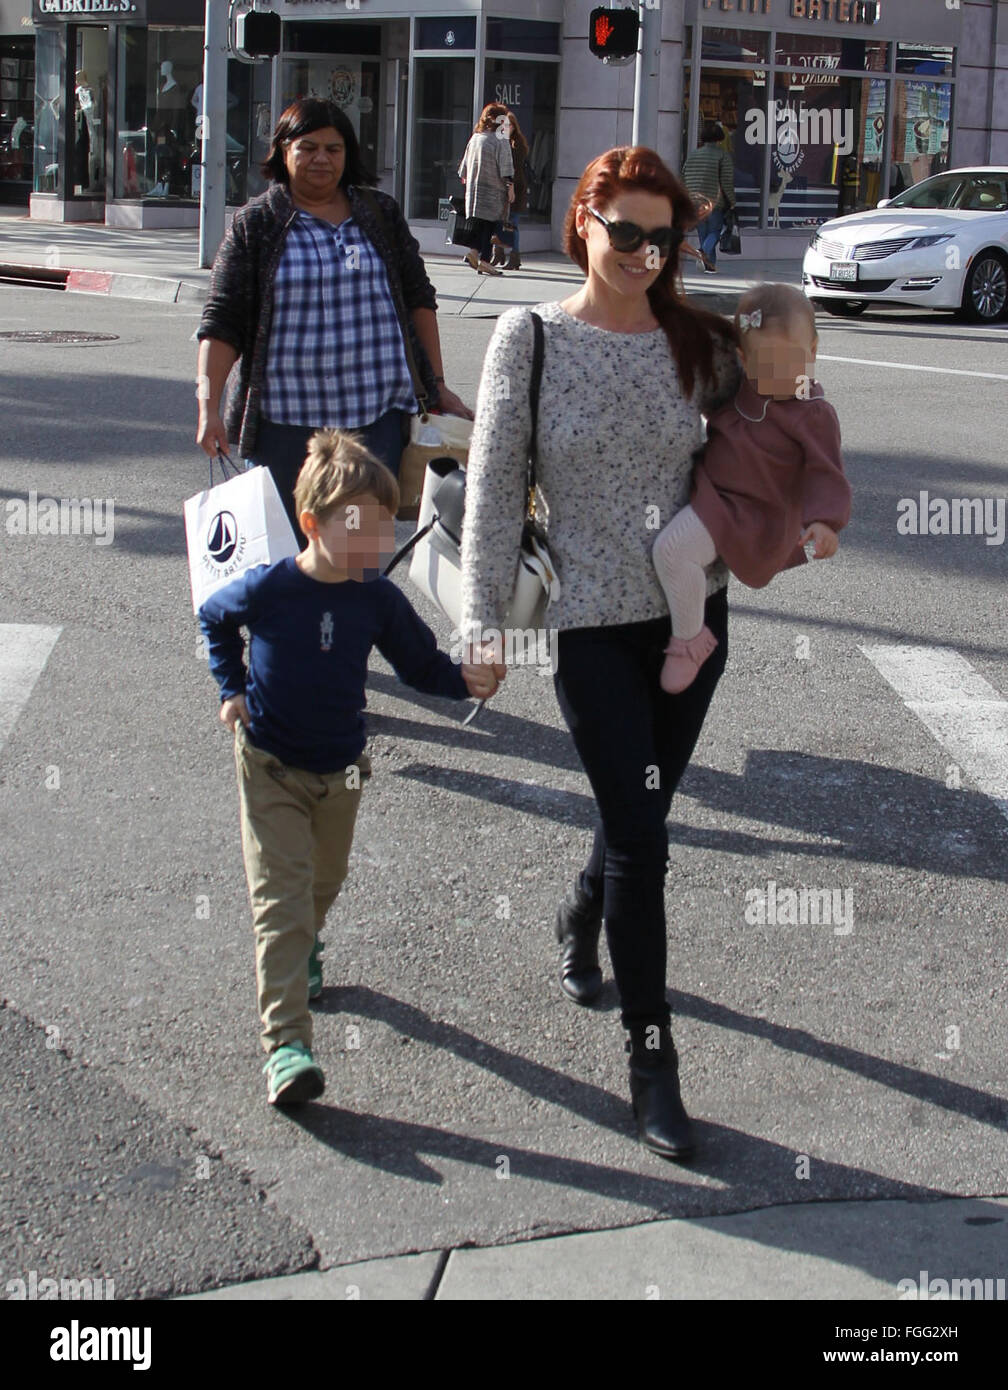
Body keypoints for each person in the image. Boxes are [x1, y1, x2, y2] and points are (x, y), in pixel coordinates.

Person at [459, 146, 742, 1162]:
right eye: (625, 231)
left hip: (689, 627)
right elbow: (493, 489)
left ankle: (583, 912)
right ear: (582, 222)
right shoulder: (529, 338)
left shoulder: (699, 343)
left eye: (663, 238)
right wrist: (483, 625)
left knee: (641, 814)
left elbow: (766, 448)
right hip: (585, 627)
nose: (645, 254)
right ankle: (652, 1058)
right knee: (642, 835)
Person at [198, 430, 504, 1106]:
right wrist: (231, 689)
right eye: (358, 528)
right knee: (279, 905)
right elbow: (214, 618)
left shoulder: (376, 598)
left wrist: (469, 681)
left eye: (383, 527)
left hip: (341, 773)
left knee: (322, 884)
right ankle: (287, 1048)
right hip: (269, 765)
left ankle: (306, 947)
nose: (375, 543)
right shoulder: (270, 589)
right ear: (311, 523)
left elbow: (422, 667)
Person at [196, 97, 472, 541]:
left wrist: (436, 383)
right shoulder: (256, 224)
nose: (321, 158)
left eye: (334, 148)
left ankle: (349, 615)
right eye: (307, 147)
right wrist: (208, 407)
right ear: (283, 152)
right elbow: (222, 321)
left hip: (374, 422)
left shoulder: (379, 214)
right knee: (288, 552)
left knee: (358, 553)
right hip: (285, 427)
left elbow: (419, 300)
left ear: (348, 156)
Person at [652, 284, 851, 693]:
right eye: (765, 364)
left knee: (671, 552)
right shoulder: (743, 385)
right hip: (711, 491)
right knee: (668, 551)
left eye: (791, 361)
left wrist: (825, 522)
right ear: (743, 359)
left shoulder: (813, 414)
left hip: (750, 513)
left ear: (813, 351)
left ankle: (690, 641)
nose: (778, 375)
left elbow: (825, 471)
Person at [457, 103, 514, 276]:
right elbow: (506, 168)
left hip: (474, 191)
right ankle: (485, 261)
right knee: (490, 227)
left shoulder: (476, 138)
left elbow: (463, 168)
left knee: (479, 225)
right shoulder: (500, 140)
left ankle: (474, 253)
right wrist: (510, 188)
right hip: (493, 190)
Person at [681, 120, 735, 273]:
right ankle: (703, 252)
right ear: (719, 138)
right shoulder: (722, 156)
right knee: (715, 231)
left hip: (694, 202)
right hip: (714, 202)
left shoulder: (692, 156)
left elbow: (683, 177)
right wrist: (732, 201)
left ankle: (709, 265)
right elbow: (726, 181)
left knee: (704, 233)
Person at [490, 110, 529, 271]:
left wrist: (510, 188)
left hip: (515, 189)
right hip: (503, 189)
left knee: (512, 224)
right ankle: (497, 253)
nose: (505, 128)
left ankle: (515, 256)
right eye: (503, 125)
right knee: (499, 222)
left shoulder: (517, 145)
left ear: (514, 127)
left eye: (508, 125)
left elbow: (515, 171)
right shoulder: (501, 142)